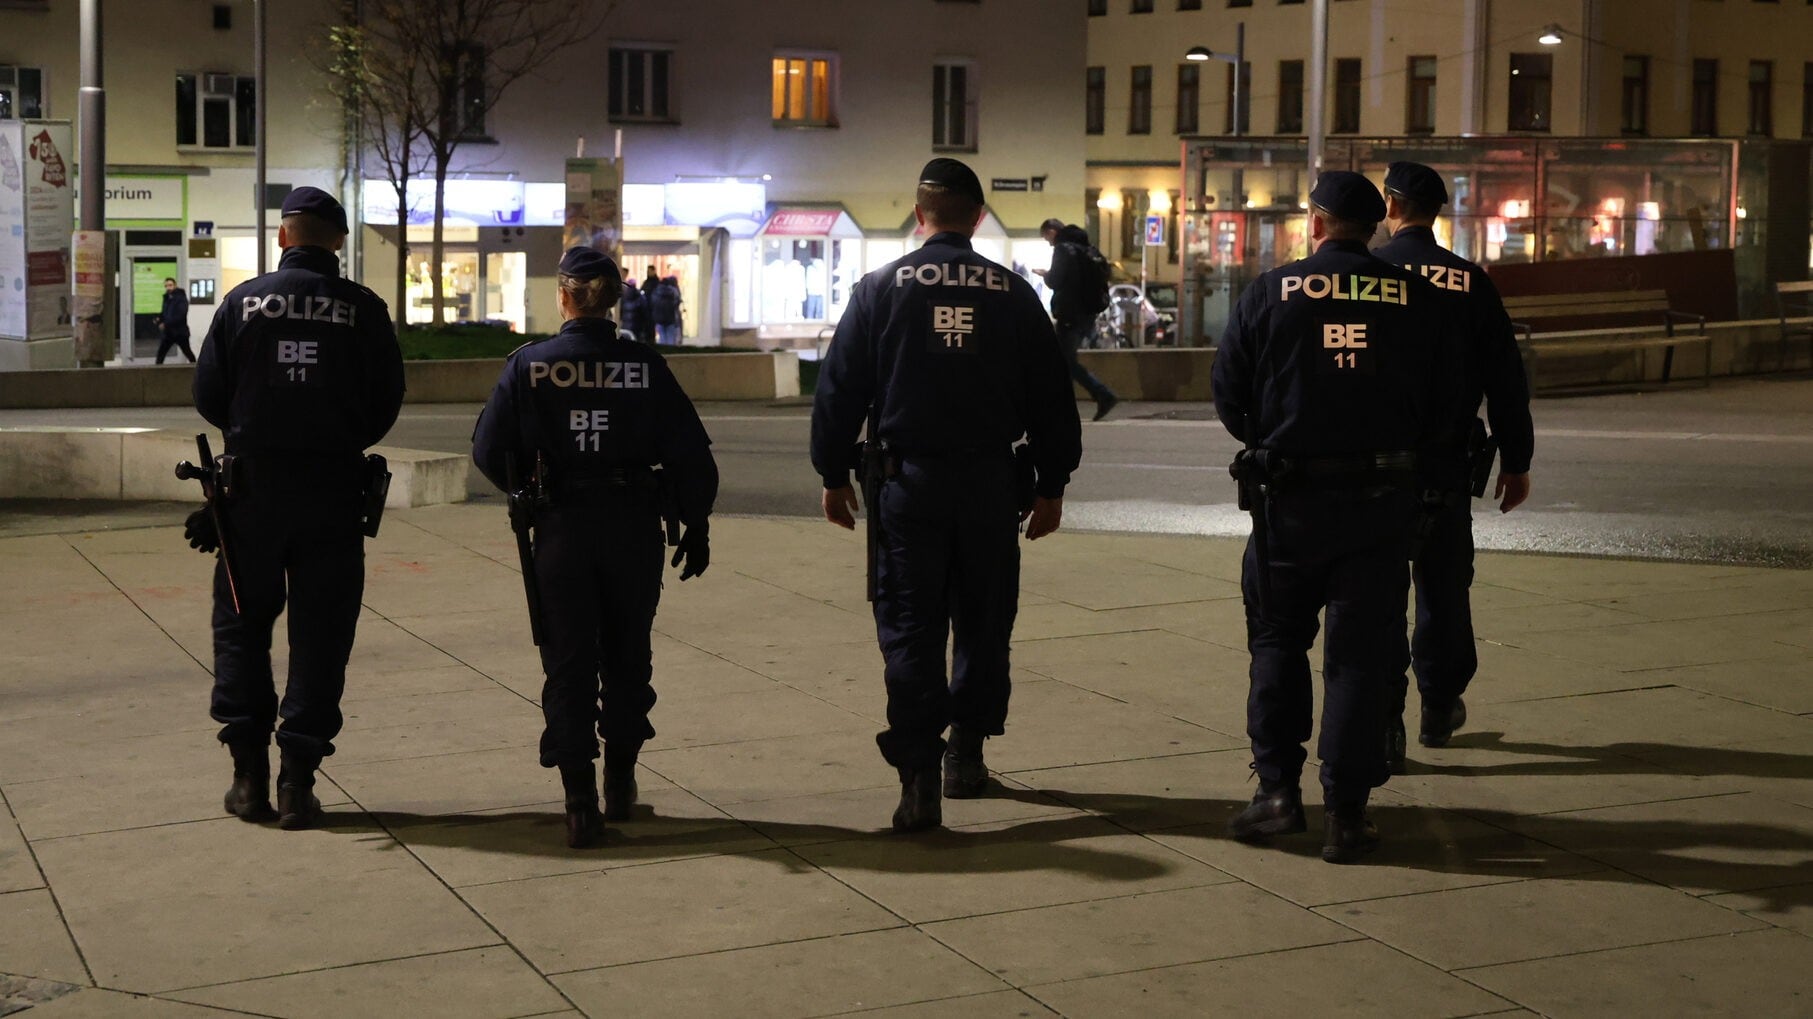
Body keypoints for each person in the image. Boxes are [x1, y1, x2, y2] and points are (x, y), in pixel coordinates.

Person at [811, 158, 1082, 833]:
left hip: (908, 484)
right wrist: (1051, 484)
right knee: (984, 621)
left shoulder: (879, 289)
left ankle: (917, 781)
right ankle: (966, 752)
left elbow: (839, 388)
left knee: (910, 625)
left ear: (918, 212)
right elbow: (1052, 399)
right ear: (979, 216)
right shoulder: (1014, 292)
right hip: (991, 482)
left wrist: (831, 473)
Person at [1211, 172, 1461, 863]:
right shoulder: (1417, 298)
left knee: (1277, 641)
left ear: (1314, 222)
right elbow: (1447, 404)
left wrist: (1276, 439)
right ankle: (1346, 814)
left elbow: (1229, 394)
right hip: (1381, 503)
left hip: (1288, 503)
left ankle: (1277, 793)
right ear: (1375, 223)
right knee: (1359, 657)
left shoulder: (1269, 293)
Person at [471, 247, 718, 849]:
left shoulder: (529, 366)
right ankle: (621, 782)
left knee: (569, 663)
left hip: (561, 528)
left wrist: (531, 490)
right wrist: (695, 522)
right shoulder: (644, 365)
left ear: (564, 296)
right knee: (628, 654)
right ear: (614, 299)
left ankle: (579, 801)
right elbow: (690, 454)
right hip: (632, 525)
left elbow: (487, 451)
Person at [190, 186, 405, 830]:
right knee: (322, 633)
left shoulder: (241, 303)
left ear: (284, 237)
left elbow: (209, 396)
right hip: (333, 494)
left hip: (250, 494)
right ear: (337, 241)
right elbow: (385, 403)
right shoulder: (363, 309)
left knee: (241, 626)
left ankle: (247, 778)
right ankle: (298, 782)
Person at [1373, 161, 1535, 770]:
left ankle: (1384, 714)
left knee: (1378, 588)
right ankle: (1439, 704)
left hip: (1374, 464)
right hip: (1444, 462)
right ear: (1434, 213)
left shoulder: (1368, 272)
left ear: (1391, 205)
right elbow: (1506, 379)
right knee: (1442, 584)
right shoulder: (1470, 281)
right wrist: (1516, 460)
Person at [1039, 217, 1119, 421]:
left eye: (1047, 237)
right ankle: (1060, 405)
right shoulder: (1087, 248)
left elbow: (1057, 280)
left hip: (1070, 314)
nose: (1048, 242)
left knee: (1064, 361)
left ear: (1052, 231)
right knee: (1063, 360)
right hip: (1087, 313)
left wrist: (1046, 275)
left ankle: (1102, 394)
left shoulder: (1063, 249)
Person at [156, 277, 196, 364]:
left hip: (180, 332)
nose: (168, 288)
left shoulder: (181, 298)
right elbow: (164, 312)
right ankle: (157, 374)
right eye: (166, 286)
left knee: (187, 352)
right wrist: (159, 319)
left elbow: (180, 315)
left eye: (170, 285)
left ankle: (195, 369)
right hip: (169, 333)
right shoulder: (167, 298)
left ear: (175, 286)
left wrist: (165, 324)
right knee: (161, 354)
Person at [651, 274, 682, 345]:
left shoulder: (656, 292)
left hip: (659, 319)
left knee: (662, 338)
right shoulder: (673, 291)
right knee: (671, 338)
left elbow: (653, 303)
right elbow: (677, 303)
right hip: (671, 318)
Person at [620, 278, 654, 344]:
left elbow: (621, 310)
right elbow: (645, 312)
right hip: (637, 326)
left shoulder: (623, 296)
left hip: (625, 325)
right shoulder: (640, 296)